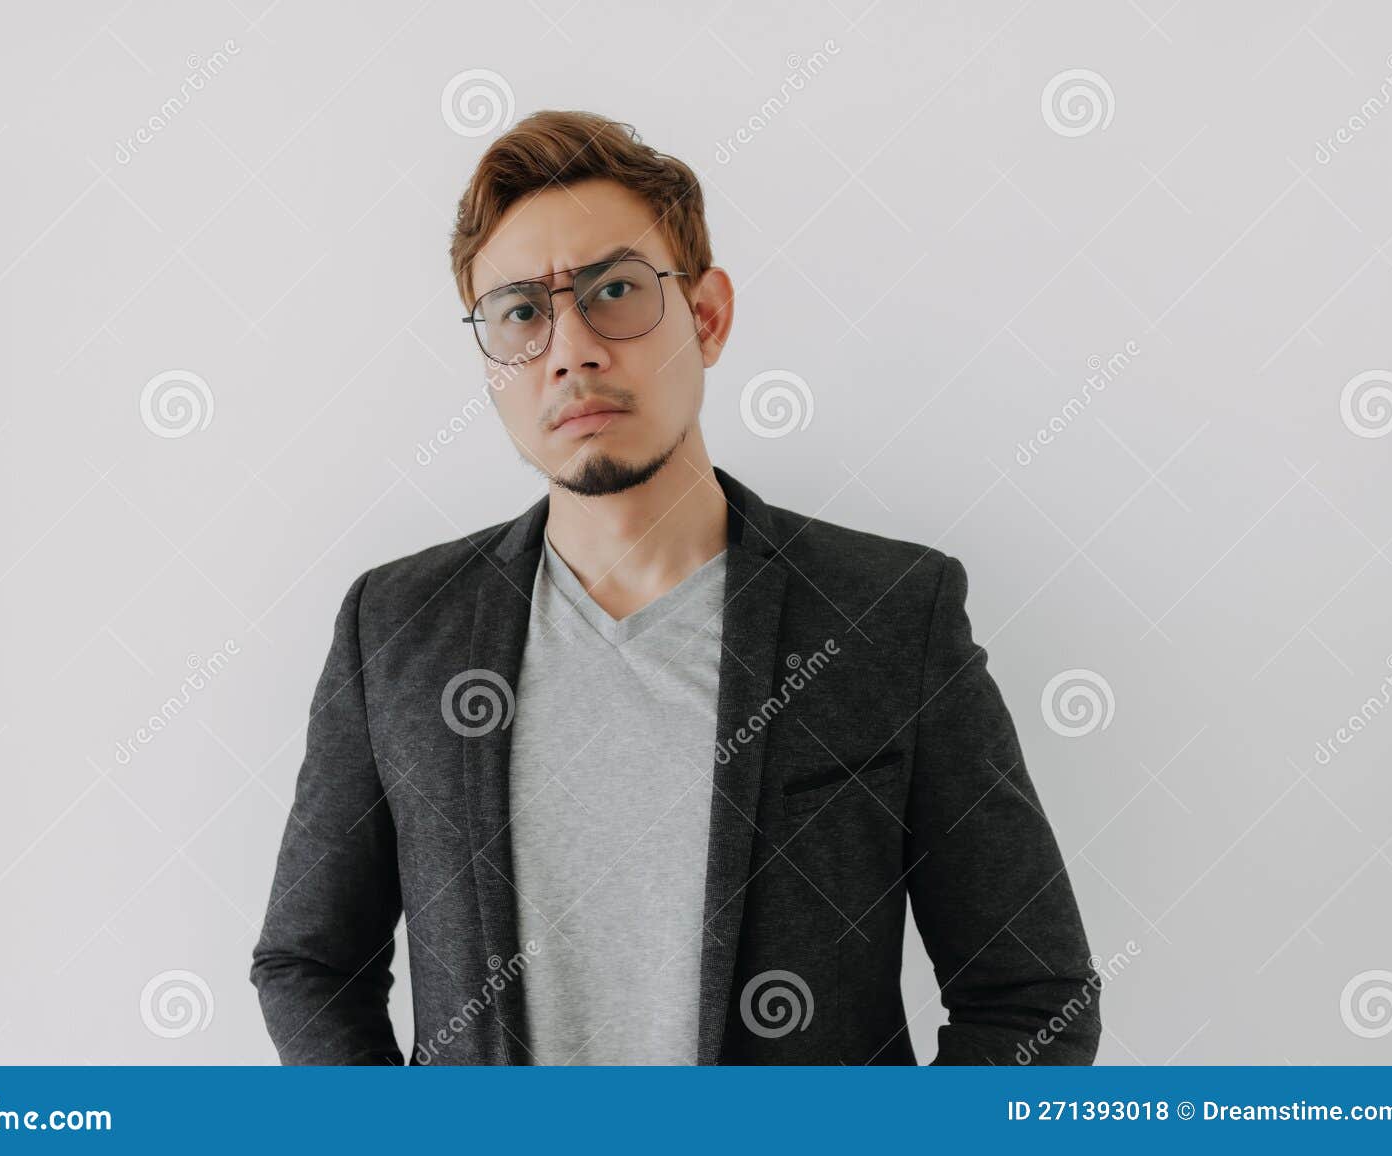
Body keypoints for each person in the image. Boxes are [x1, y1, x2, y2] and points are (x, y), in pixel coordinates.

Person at [250, 109, 1100, 1065]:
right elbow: (309, 963)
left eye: (614, 291)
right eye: (523, 312)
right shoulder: (399, 627)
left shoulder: (889, 614)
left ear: (707, 316)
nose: (571, 348)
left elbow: (1033, 996)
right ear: (492, 361)